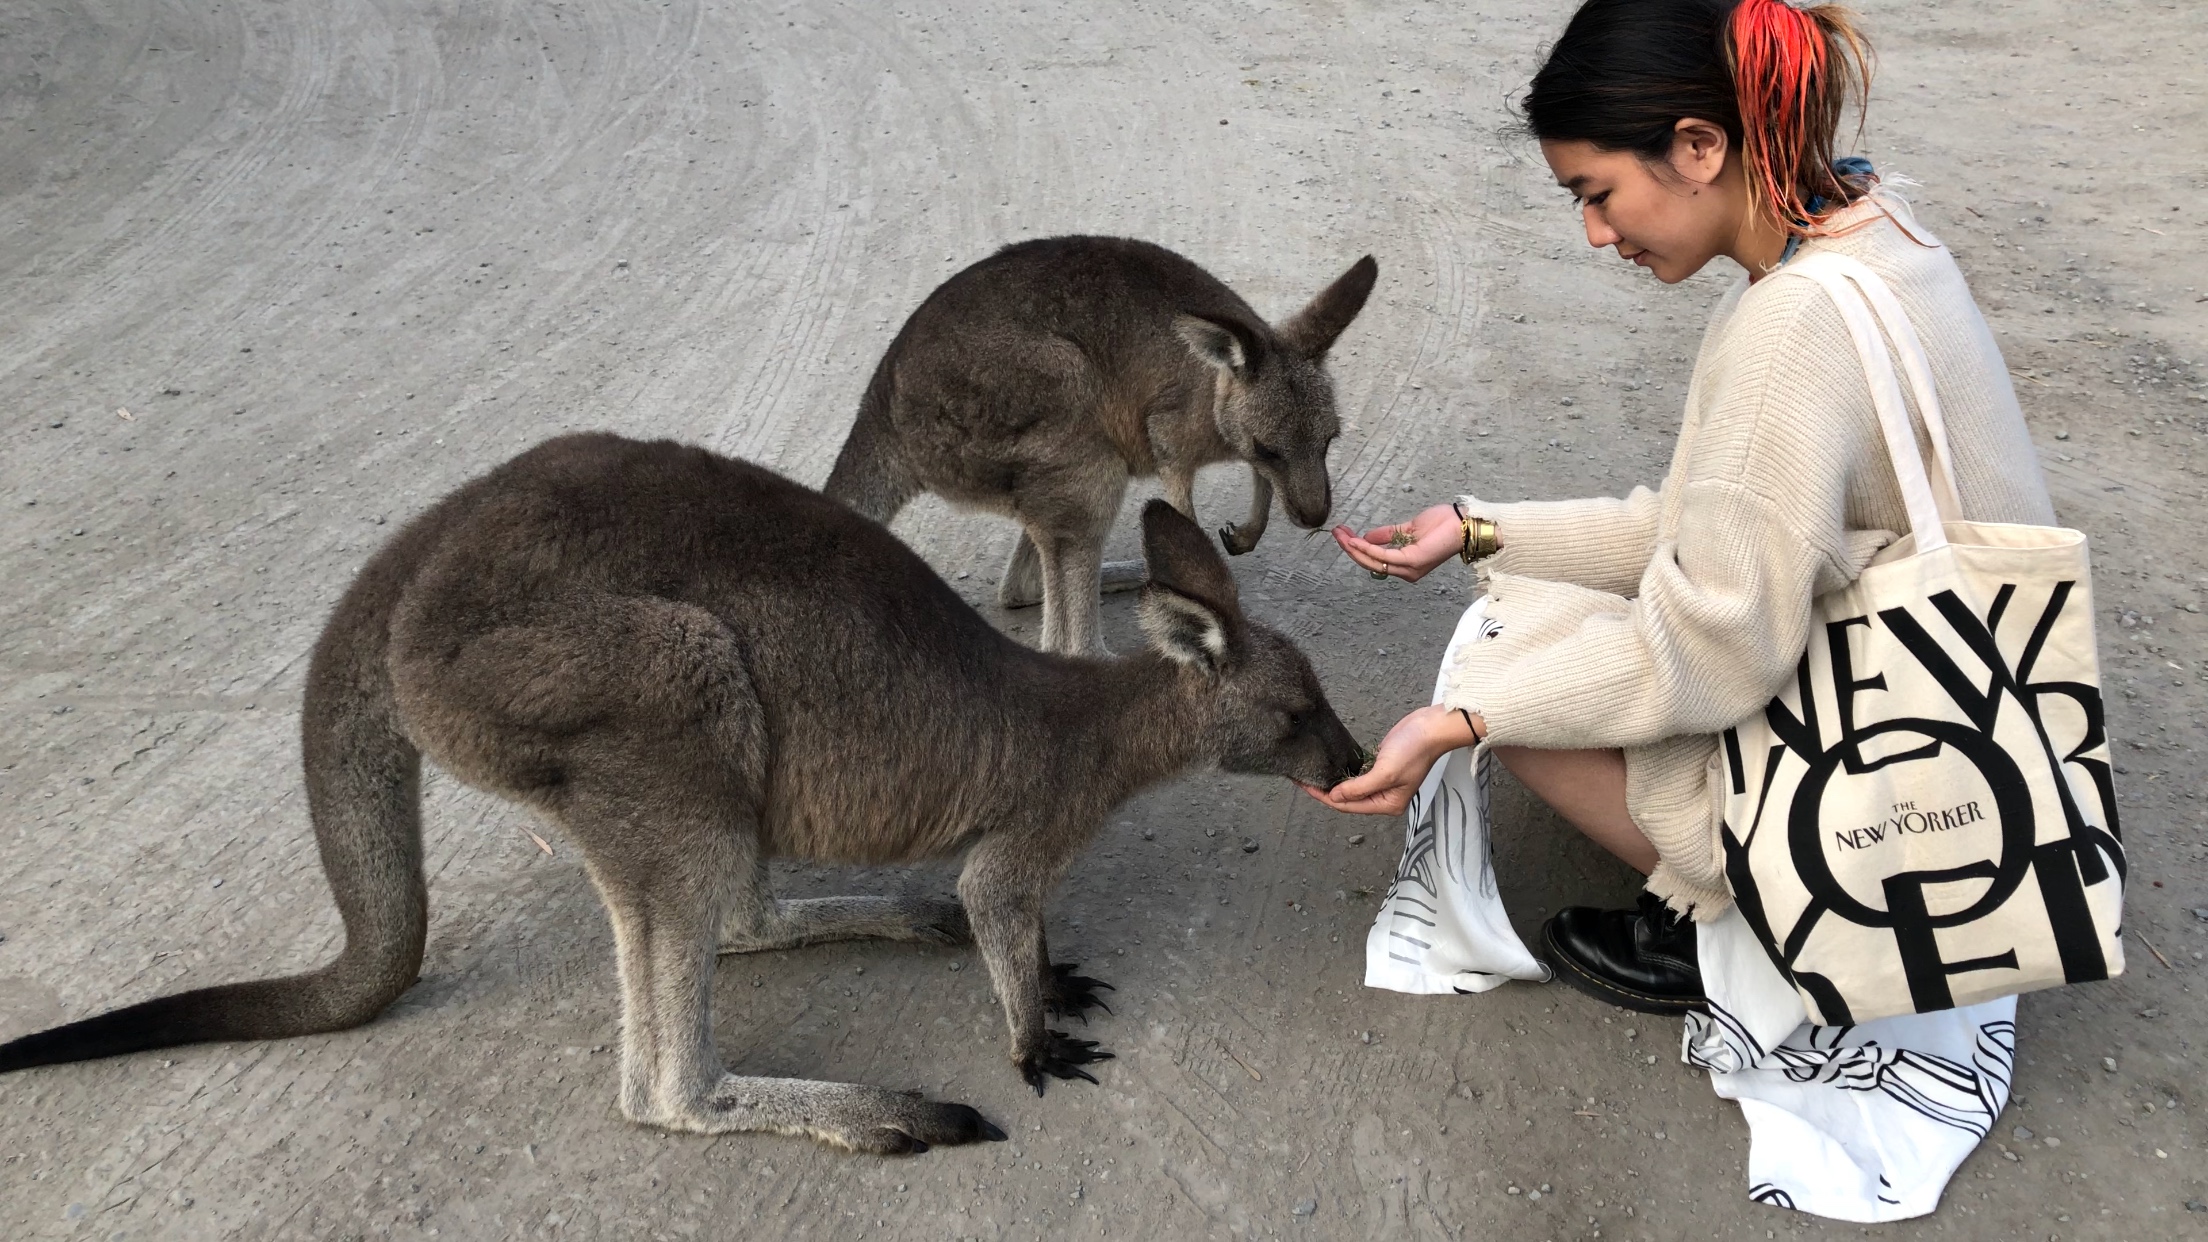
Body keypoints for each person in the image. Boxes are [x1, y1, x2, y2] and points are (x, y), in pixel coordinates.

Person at [1307, 0, 2055, 1015]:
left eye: (1599, 192)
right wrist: (1482, 528)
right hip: (1964, 695)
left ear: (1699, 147)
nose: (1593, 232)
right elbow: (1714, 524)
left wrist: (1462, 720)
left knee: (1508, 667)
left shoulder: (1788, 329)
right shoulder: (1871, 226)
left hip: (1880, 781)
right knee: (1530, 612)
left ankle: (1747, 930)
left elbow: (1709, 652)